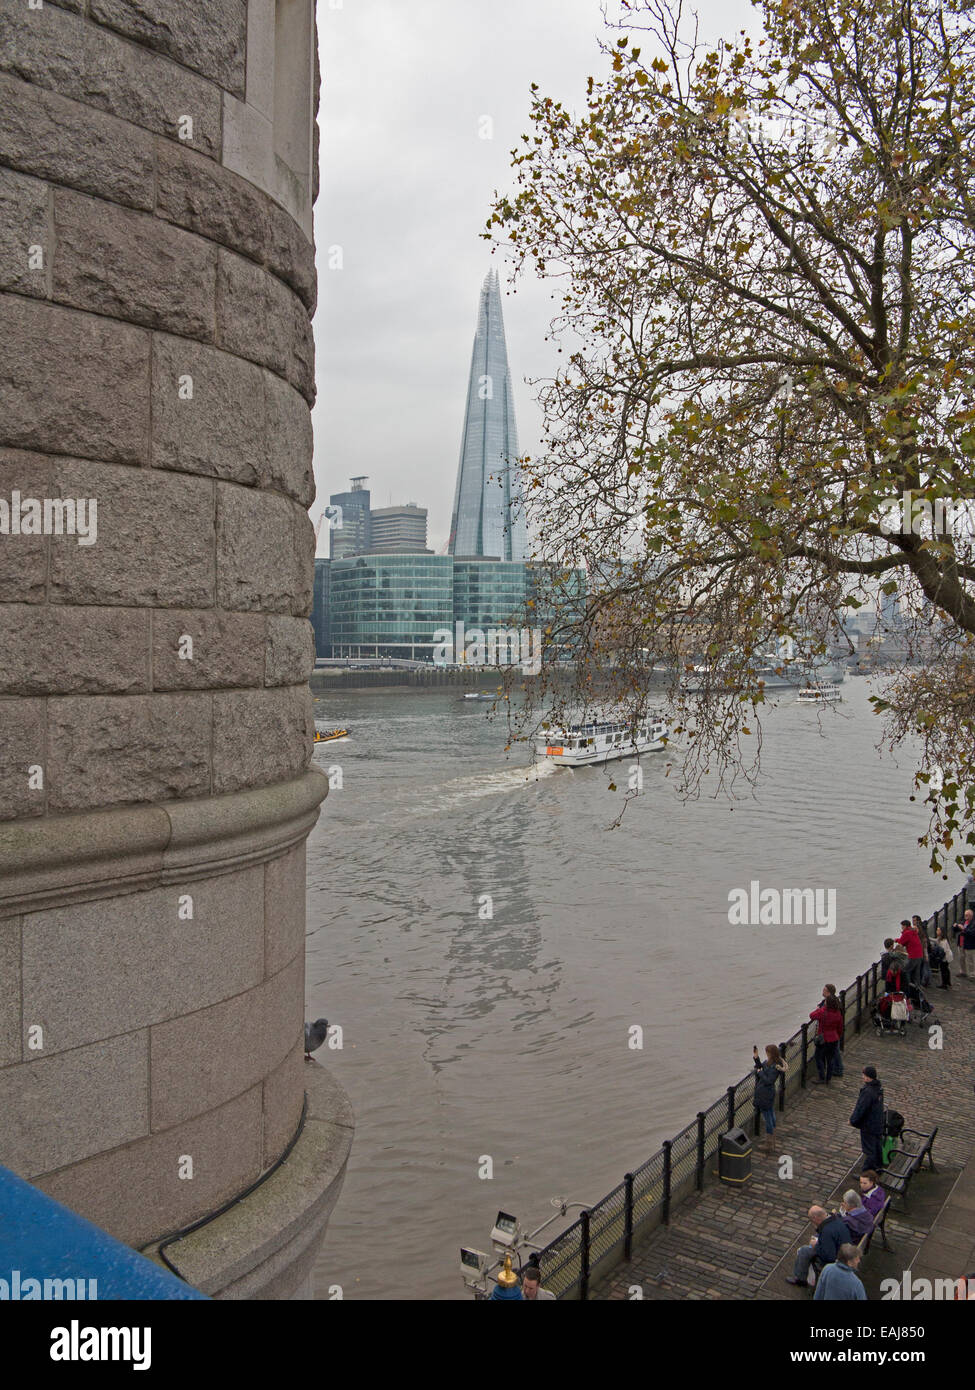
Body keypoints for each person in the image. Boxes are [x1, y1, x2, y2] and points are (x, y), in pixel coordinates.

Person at [787, 1205, 850, 1287]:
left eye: (811, 1220)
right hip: (843, 1251)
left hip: (837, 1260)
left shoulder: (827, 1231)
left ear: (816, 1218)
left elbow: (828, 1256)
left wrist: (816, 1245)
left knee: (804, 1251)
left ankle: (800, 1279)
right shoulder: (835, 1220)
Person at [850, 1065, 885, 1171]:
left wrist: (853, 1121)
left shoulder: (868, 1092)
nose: (862, 1077)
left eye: (864, 1075)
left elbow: (861, 1108)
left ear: (868, 1077)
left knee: (869, 1149)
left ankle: (867, 1172)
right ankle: (878, 1165)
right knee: (877, 1145)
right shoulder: (878, 1088)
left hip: (869, 1125)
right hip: (877, 1123)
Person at [752, 1044, 787, 1151]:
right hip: (766, 1093)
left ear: (771, 1054)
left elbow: (769, 1080)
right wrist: (756, 1058)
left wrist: (760, 1073)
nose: (766, 1054)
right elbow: (761, 1067)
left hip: (765, 1094)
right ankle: (772, 1141)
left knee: (768, 1119)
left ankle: (769, 1144)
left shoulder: (775, 1067)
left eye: (767, 1052)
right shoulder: (770, 1063)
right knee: (771, 1115)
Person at [809, 993, 843, 1084]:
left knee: (818, 1057)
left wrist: (820, 1008)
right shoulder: (838, 1013)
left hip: (823, 1039)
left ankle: (821, 1077)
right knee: (830, 1059)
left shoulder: (823, 1011)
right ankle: (828, 1078)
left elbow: (811, 1015)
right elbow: (840, 1028)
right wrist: (837, 1036)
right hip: (834, 1039)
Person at [896, 919, 923, 988]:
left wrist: (895, 940)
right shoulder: (913, 931)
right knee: (917, 972)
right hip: (919, 954)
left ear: (905, 926)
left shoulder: (906, 933)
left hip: (913, 955)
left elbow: (901, 942)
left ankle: (907, 985)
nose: (901, 927)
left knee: (905, 970)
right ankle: (917, 987)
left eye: (902, 926)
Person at [954, 908, 975, 980]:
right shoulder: (963, 921)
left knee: (970, 960)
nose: (965, 917)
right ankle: (963, 972)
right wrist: (955, 927)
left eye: (967, 915)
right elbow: (956, 931)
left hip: (970, 944)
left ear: (971, 916)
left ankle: (972, 974)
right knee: (961, 958)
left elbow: (972, 933)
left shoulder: (973, 923)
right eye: (965, 915)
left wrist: (963, 929)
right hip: (961, 943)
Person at [912, 914, 932, 987]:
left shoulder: (919, 929)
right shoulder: (923, 928)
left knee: (923, 967)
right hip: (925, 949)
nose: (913, 922)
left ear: (918, 921)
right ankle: (927, 981)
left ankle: (924, 981)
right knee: (926, 966)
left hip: (922, 951)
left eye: (914, 920)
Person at [931, 924, 953, 989]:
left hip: (945, 957)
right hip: (948, 956)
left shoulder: (944, 941)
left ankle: (944, 984)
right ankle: (948, 982)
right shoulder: (940, 939)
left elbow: (944, 951)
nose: (936, 931)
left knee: (943, 970)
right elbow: (935, 940)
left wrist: (941, 958)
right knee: (946, 969)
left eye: (938, 930)